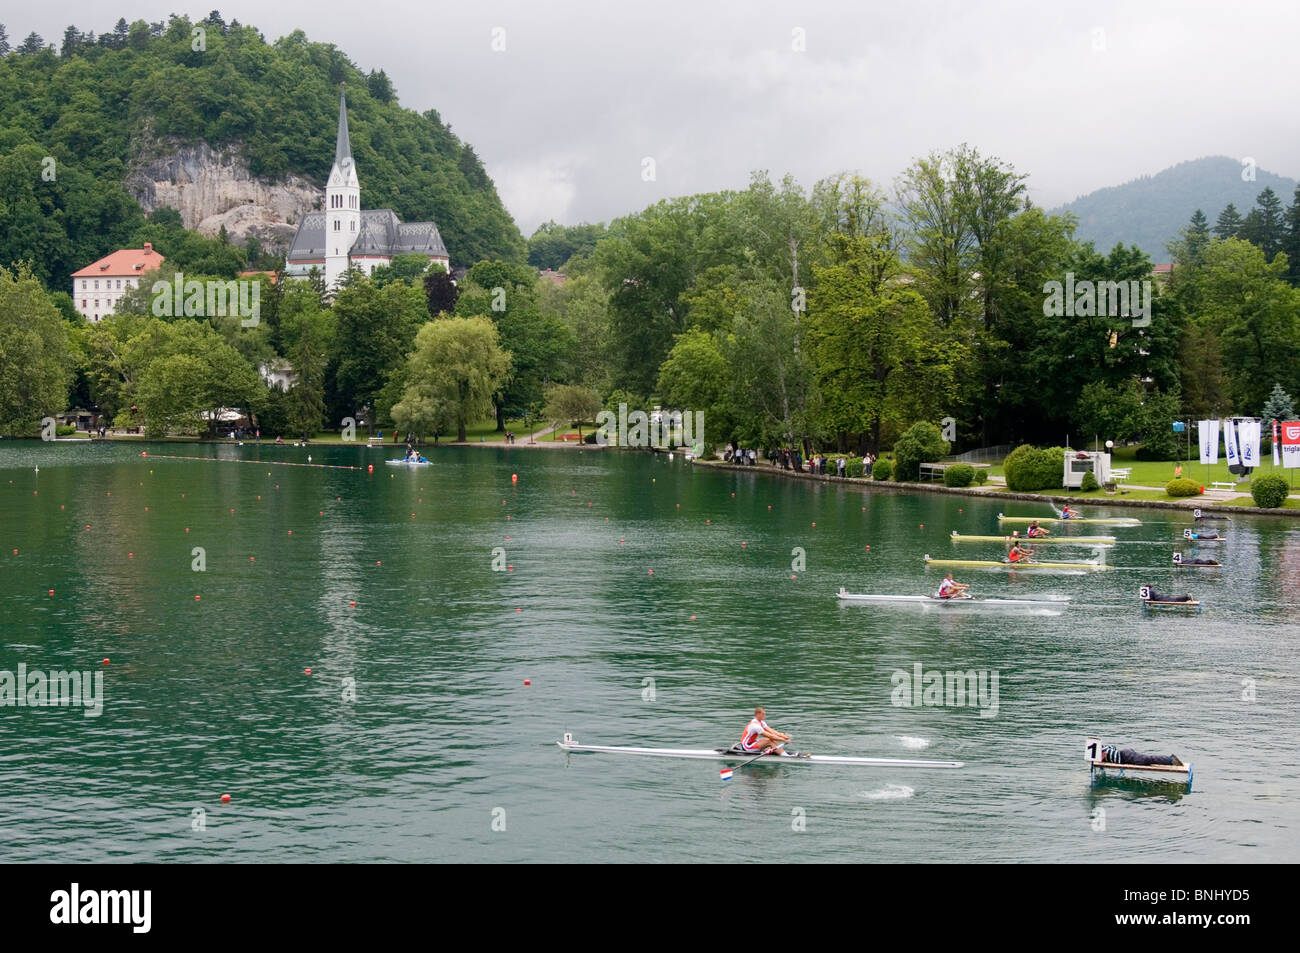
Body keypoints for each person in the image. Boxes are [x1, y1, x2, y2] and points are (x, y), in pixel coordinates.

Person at [1100, 743, 1184, 767]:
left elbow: (1103, 754)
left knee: (1148, 760)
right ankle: (1170, 759)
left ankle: (1170, 760)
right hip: (1124, 753)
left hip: (1124, 757)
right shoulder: (1103, 747)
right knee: (1146, 759)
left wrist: (1101, 757)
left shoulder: (1100, 751)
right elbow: (1113, 747)